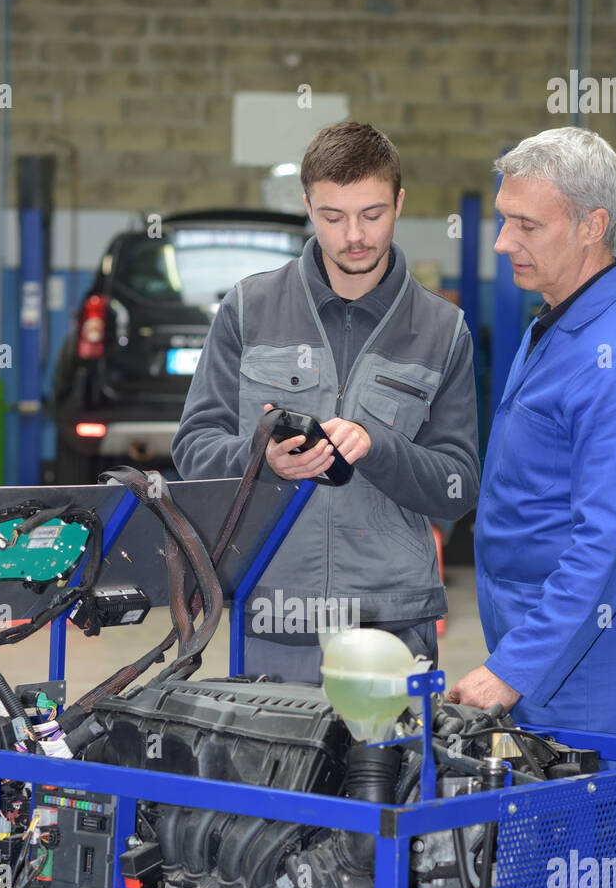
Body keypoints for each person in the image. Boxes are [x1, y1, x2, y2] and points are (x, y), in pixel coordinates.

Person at [172, 121, 479, 683]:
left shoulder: (443, 329)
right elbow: (193, 449)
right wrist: (261, 460)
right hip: (273, 611)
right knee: (277, 772)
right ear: (309, 207)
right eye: (333, 216)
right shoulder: (248, 309)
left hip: (392, 622)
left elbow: (457, 488)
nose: (354, 236)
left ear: (400, 203)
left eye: (373, 214)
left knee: (388, 773)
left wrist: (379, 447)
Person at [448, 127, 616, 734]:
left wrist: (513, 669)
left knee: (584, 827)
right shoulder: (553, 321)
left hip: (594, 667)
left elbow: (607, 539)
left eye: (527, 226)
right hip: (540, 637)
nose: (503, 243)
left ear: (592, 225)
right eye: (504, 221)